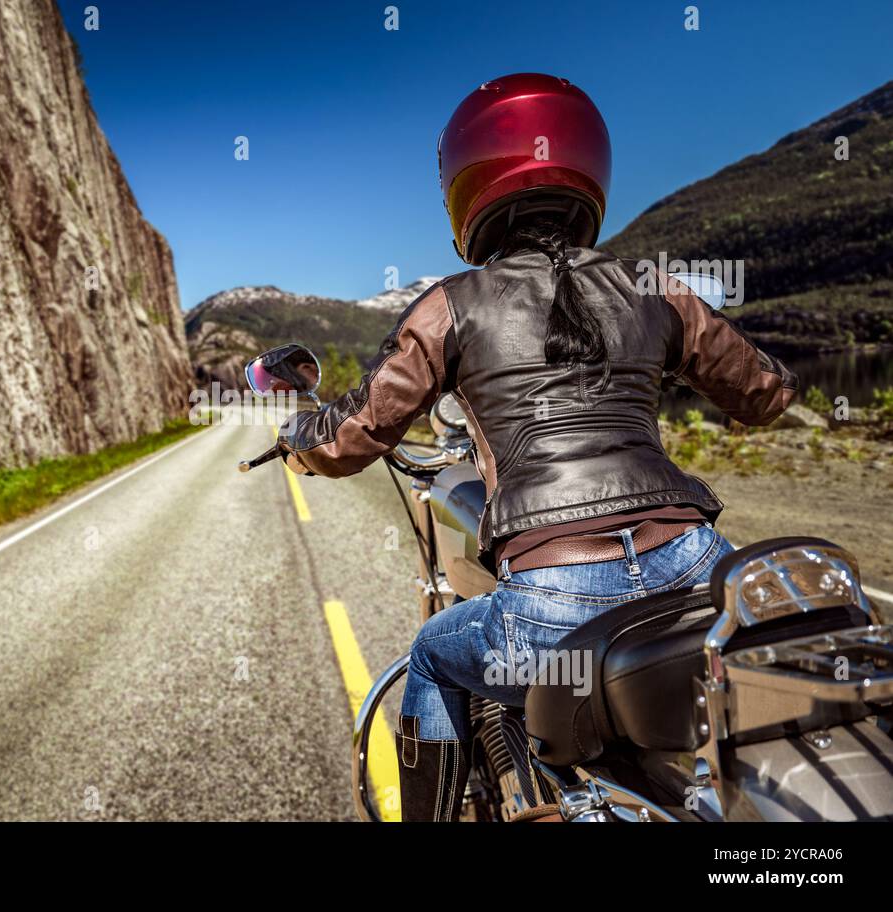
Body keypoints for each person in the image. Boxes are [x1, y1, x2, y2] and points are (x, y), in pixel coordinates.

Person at [276, 73, 796, 822]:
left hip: (556, 598)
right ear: (589, 165)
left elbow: (356, 432)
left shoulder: (451, 304)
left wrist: (300, 443)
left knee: (431, 655)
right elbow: (765, 394)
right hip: (696, 563)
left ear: (468, 182)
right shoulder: (654, 286)